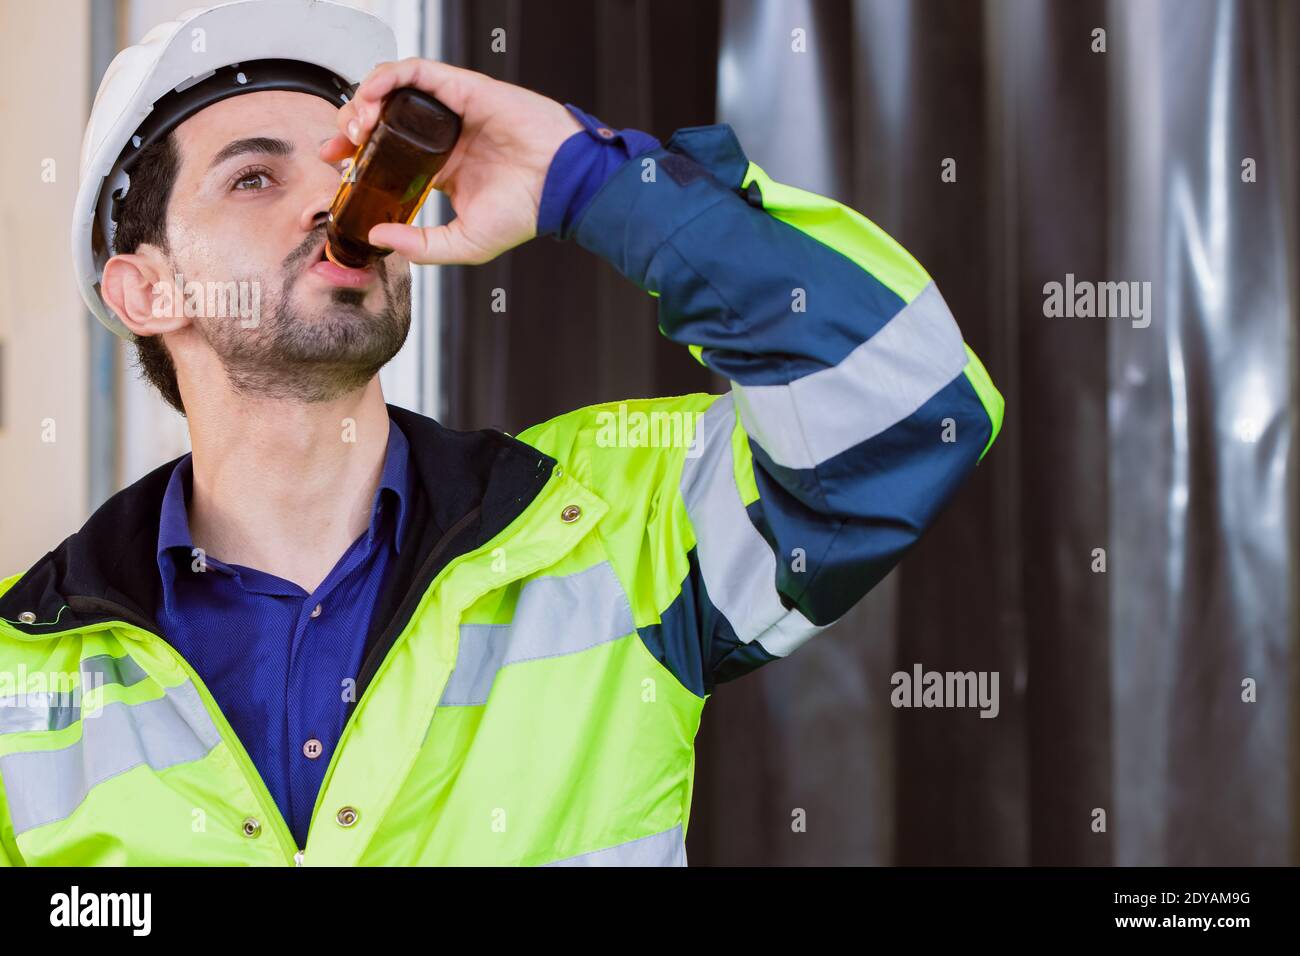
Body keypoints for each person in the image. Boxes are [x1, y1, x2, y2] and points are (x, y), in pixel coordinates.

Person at [0, 0, 1002, 866]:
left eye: (347, 164)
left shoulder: (611, 524)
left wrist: (589, 184)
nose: (332, 198)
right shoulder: (22, 676)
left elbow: (911, 412)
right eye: (253, 178)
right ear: (146, 288)